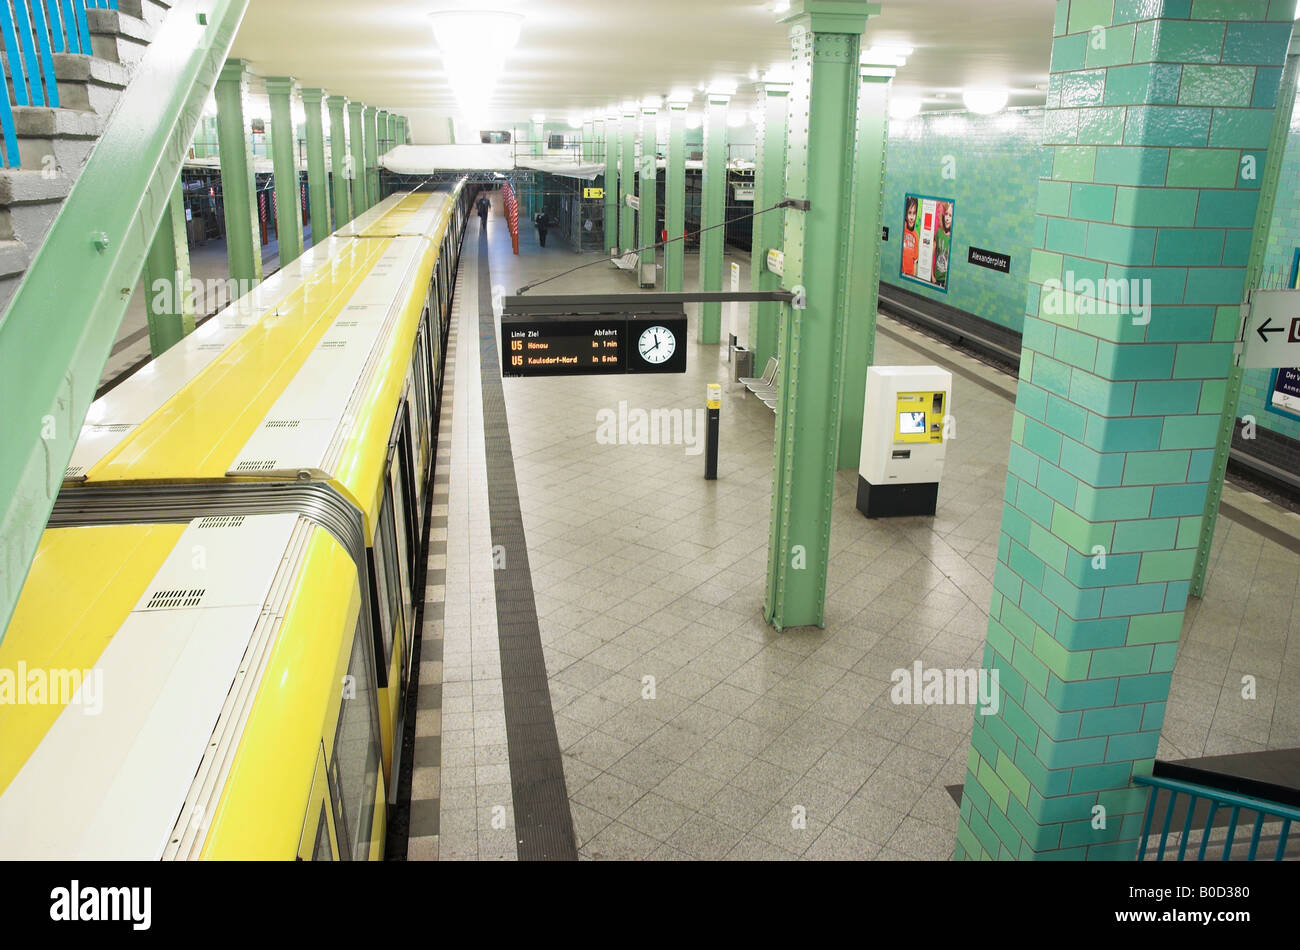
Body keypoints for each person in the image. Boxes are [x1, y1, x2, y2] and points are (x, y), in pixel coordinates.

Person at [933, 202, 952, 289]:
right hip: (936, 279)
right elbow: (932, 253)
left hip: (946, 281)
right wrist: (932, 277)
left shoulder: (952, 237)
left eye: (950, 215)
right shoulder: (939, 232)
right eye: (946, 214)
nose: (947, 218)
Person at [901, 196, 919, 278]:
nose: (912, 217)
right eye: (909, 213)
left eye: (914, 213)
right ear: (905, 214)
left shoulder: (915, 235)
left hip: (909, 276)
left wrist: (913, 278)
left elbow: (915, 262)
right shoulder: (902, 229)